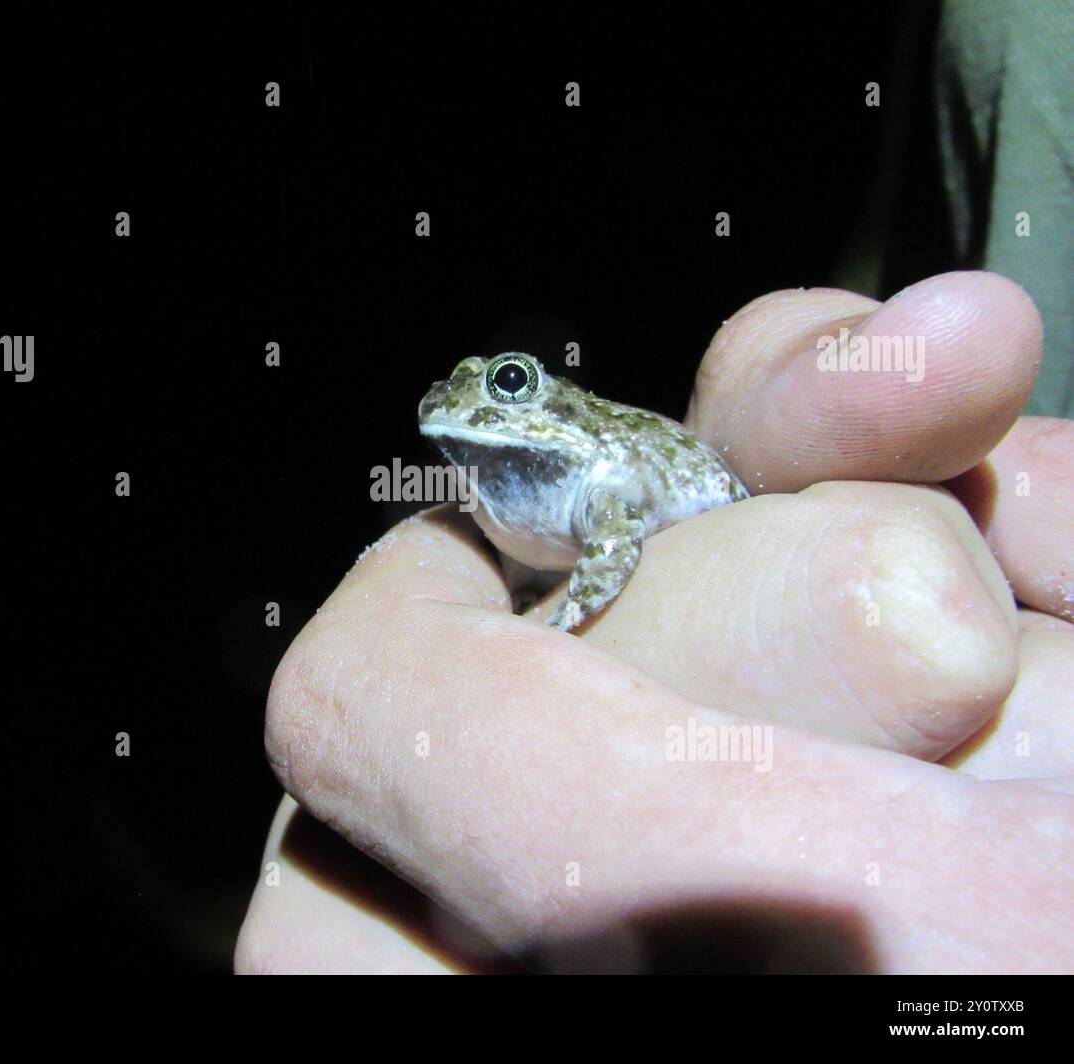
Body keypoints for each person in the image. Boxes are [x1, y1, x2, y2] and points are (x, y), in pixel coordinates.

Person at [235, 270, 1074, 972]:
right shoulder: (498, 511)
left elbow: (614, 543)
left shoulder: (603, 470)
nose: (467, 401)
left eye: (508, 385)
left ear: (551, 403)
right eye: (465, 384)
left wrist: (553, 630)